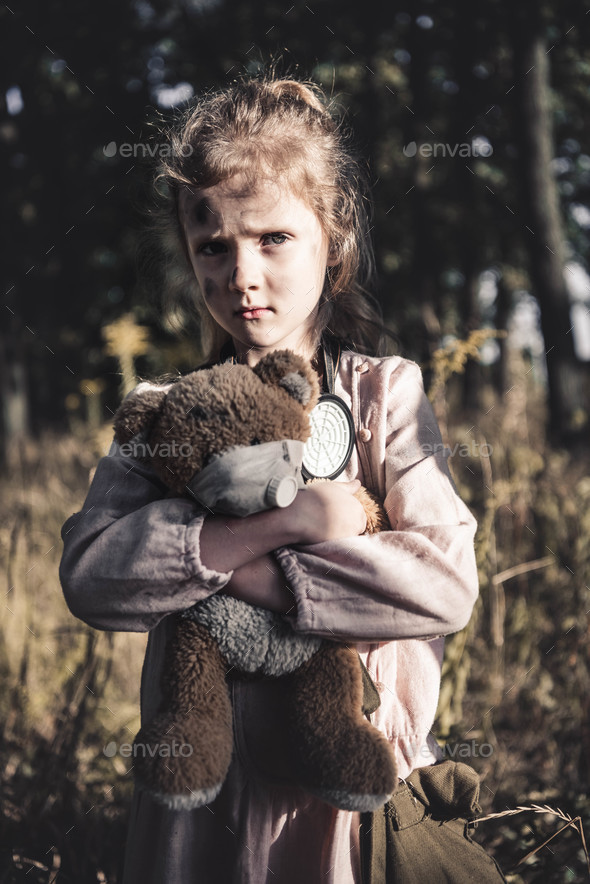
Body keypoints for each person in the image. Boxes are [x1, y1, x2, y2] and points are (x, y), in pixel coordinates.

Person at [59, 75, 506, 883]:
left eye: (272, 238)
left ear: (331, 240)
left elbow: (445, 583)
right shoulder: (167, 417)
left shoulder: (381, 396)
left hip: (338, 809)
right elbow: (92, 576)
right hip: (201, 817)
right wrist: (282, 527)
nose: (241, 273)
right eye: (214, 245)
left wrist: (238, 578)